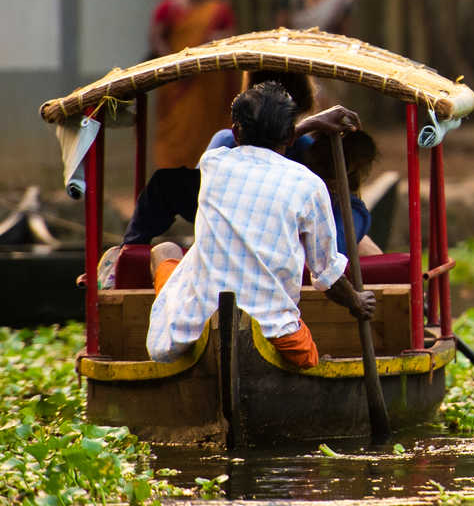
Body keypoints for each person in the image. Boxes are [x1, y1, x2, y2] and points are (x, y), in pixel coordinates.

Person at [146, 81, 375, 368]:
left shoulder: (213, 163)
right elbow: (327, 276)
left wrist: (308, 124)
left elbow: (251, 146)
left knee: (164, 251)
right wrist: (356, 302)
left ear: (236, 132)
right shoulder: (309, 185)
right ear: (291, 137)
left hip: (197, 325)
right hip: (275, 331)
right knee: (310, 358)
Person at [119, 71, 378, 259]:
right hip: (239, 222)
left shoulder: (309, 163)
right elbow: (215, 184)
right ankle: (127, 253)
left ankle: (128, 250)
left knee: (362, 237)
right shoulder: (226, 148)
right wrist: (305, 126)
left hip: (287, 234)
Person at [149, 0, 238, 169]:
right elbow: (155, 36)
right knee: (173, 136)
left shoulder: (219, 10)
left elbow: (231, 37)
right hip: (176, 82)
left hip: (207, 85)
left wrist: (215, 39)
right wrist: (173, 63)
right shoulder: (169, 7)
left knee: (207, 135)